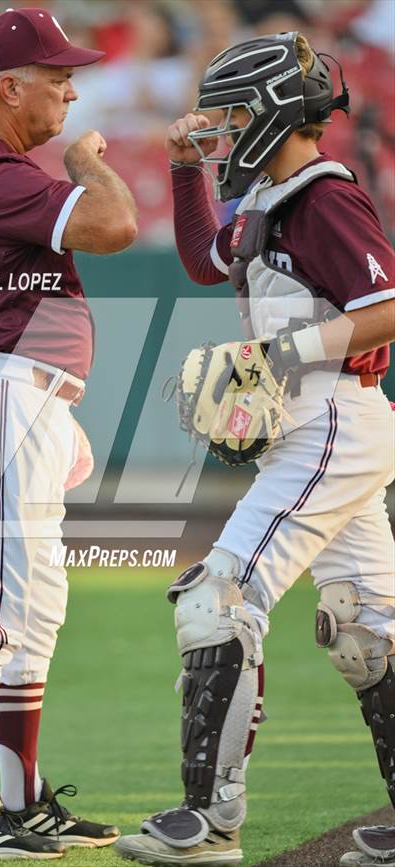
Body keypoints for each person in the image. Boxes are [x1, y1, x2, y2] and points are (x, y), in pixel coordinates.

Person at [115, 31, 394, 867]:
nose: (227, 132)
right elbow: (209, 261)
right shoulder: (276, 199)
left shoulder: (322, 195)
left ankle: (211, 822)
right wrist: (181, 171)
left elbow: (385, 307)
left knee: (219, 599)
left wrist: (283, 354)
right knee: (368, 630)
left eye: (237, 115)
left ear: (277, 111)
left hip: (332, 422)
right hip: (327, 426)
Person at [0, 7, 137, 862]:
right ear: (9, 88)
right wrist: (85, 166)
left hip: (17, 390)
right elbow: (115, 224)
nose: (71, 91)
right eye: (57, 78)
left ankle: (19, 799)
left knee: (35, 605)